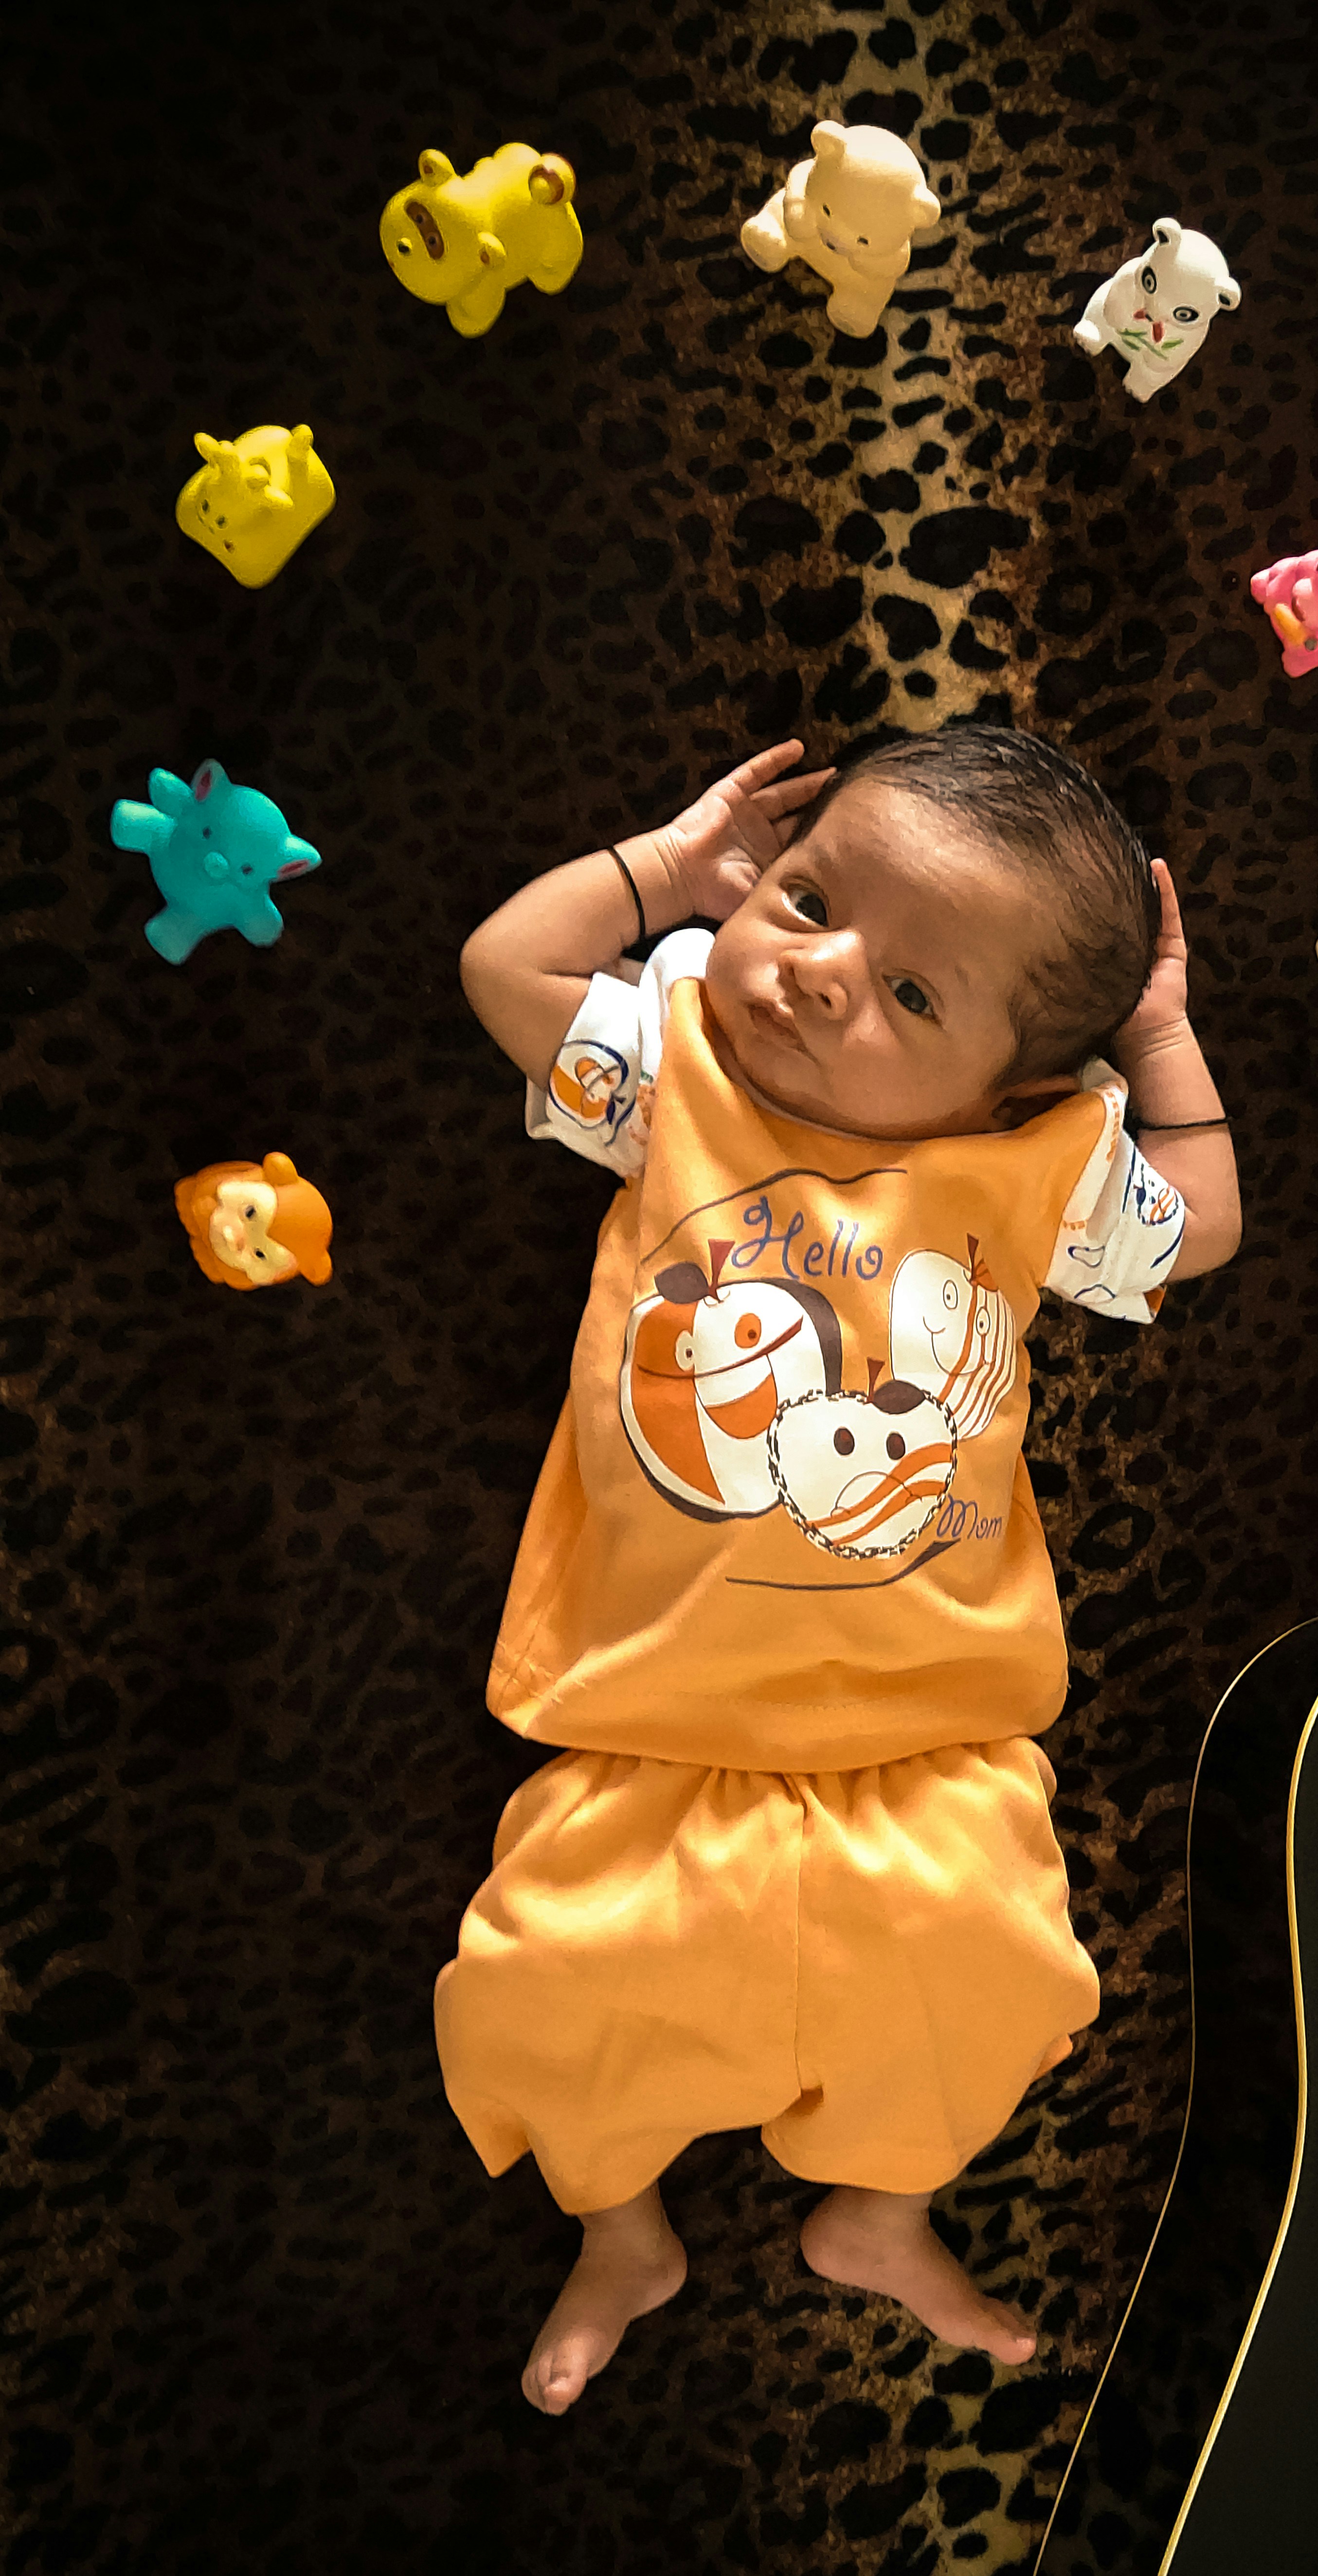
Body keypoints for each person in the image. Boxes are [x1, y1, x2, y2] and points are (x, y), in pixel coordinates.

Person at [434, 729, 1242, 2413]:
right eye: (809, 903)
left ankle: (883, 2210)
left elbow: (1208, 1220)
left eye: (915, 998)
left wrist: (1161, 1043)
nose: (810, 976)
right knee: (549, 1995)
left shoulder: (1042, 1166)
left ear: (1018, 1089)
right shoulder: (675, 1075)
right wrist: (672, 869)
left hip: (930, 1747)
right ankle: (623, 2227)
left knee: (990, 1985)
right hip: (651, 1726)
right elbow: (503, 964)